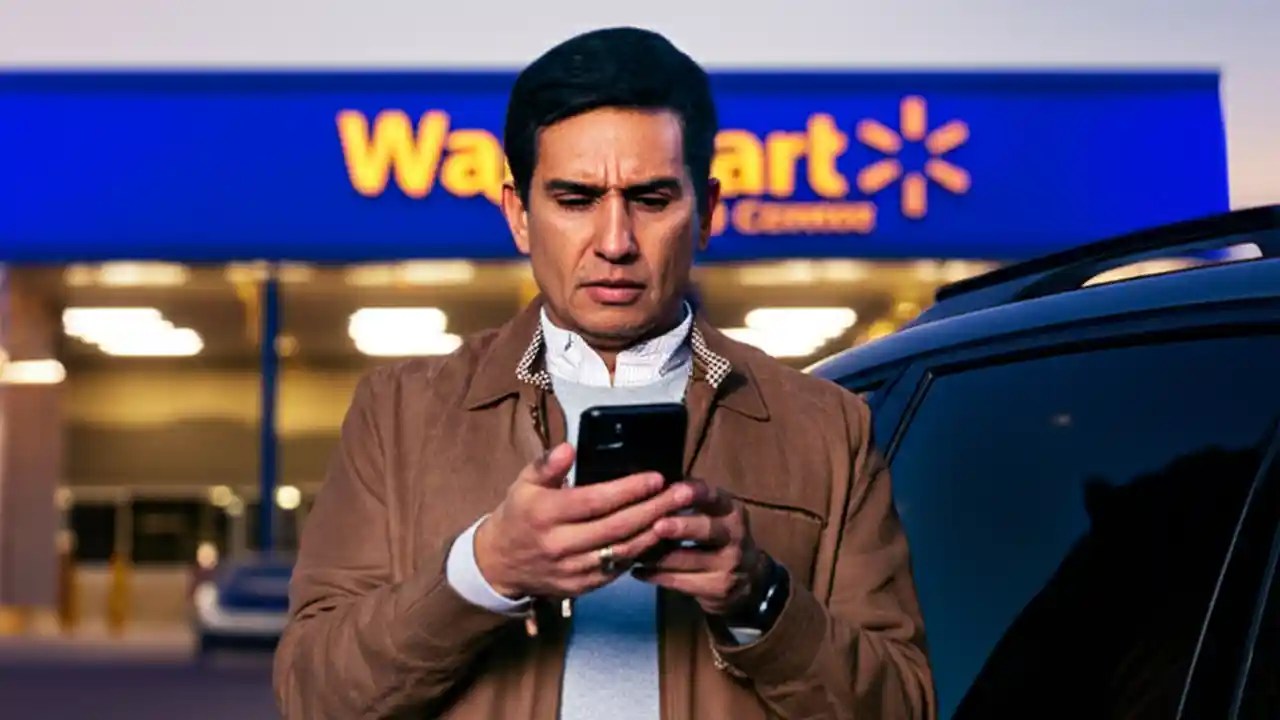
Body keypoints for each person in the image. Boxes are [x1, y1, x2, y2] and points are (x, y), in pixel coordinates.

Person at [273, 26, 935, 720]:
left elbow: (904, 706)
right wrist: (483, 571)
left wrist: (760, 597)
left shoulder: (827, 430)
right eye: (576, 199)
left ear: (705, 212)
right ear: (519, 216)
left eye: (651, 200)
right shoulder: (397, 416)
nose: (615, 243)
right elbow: (314, 697)